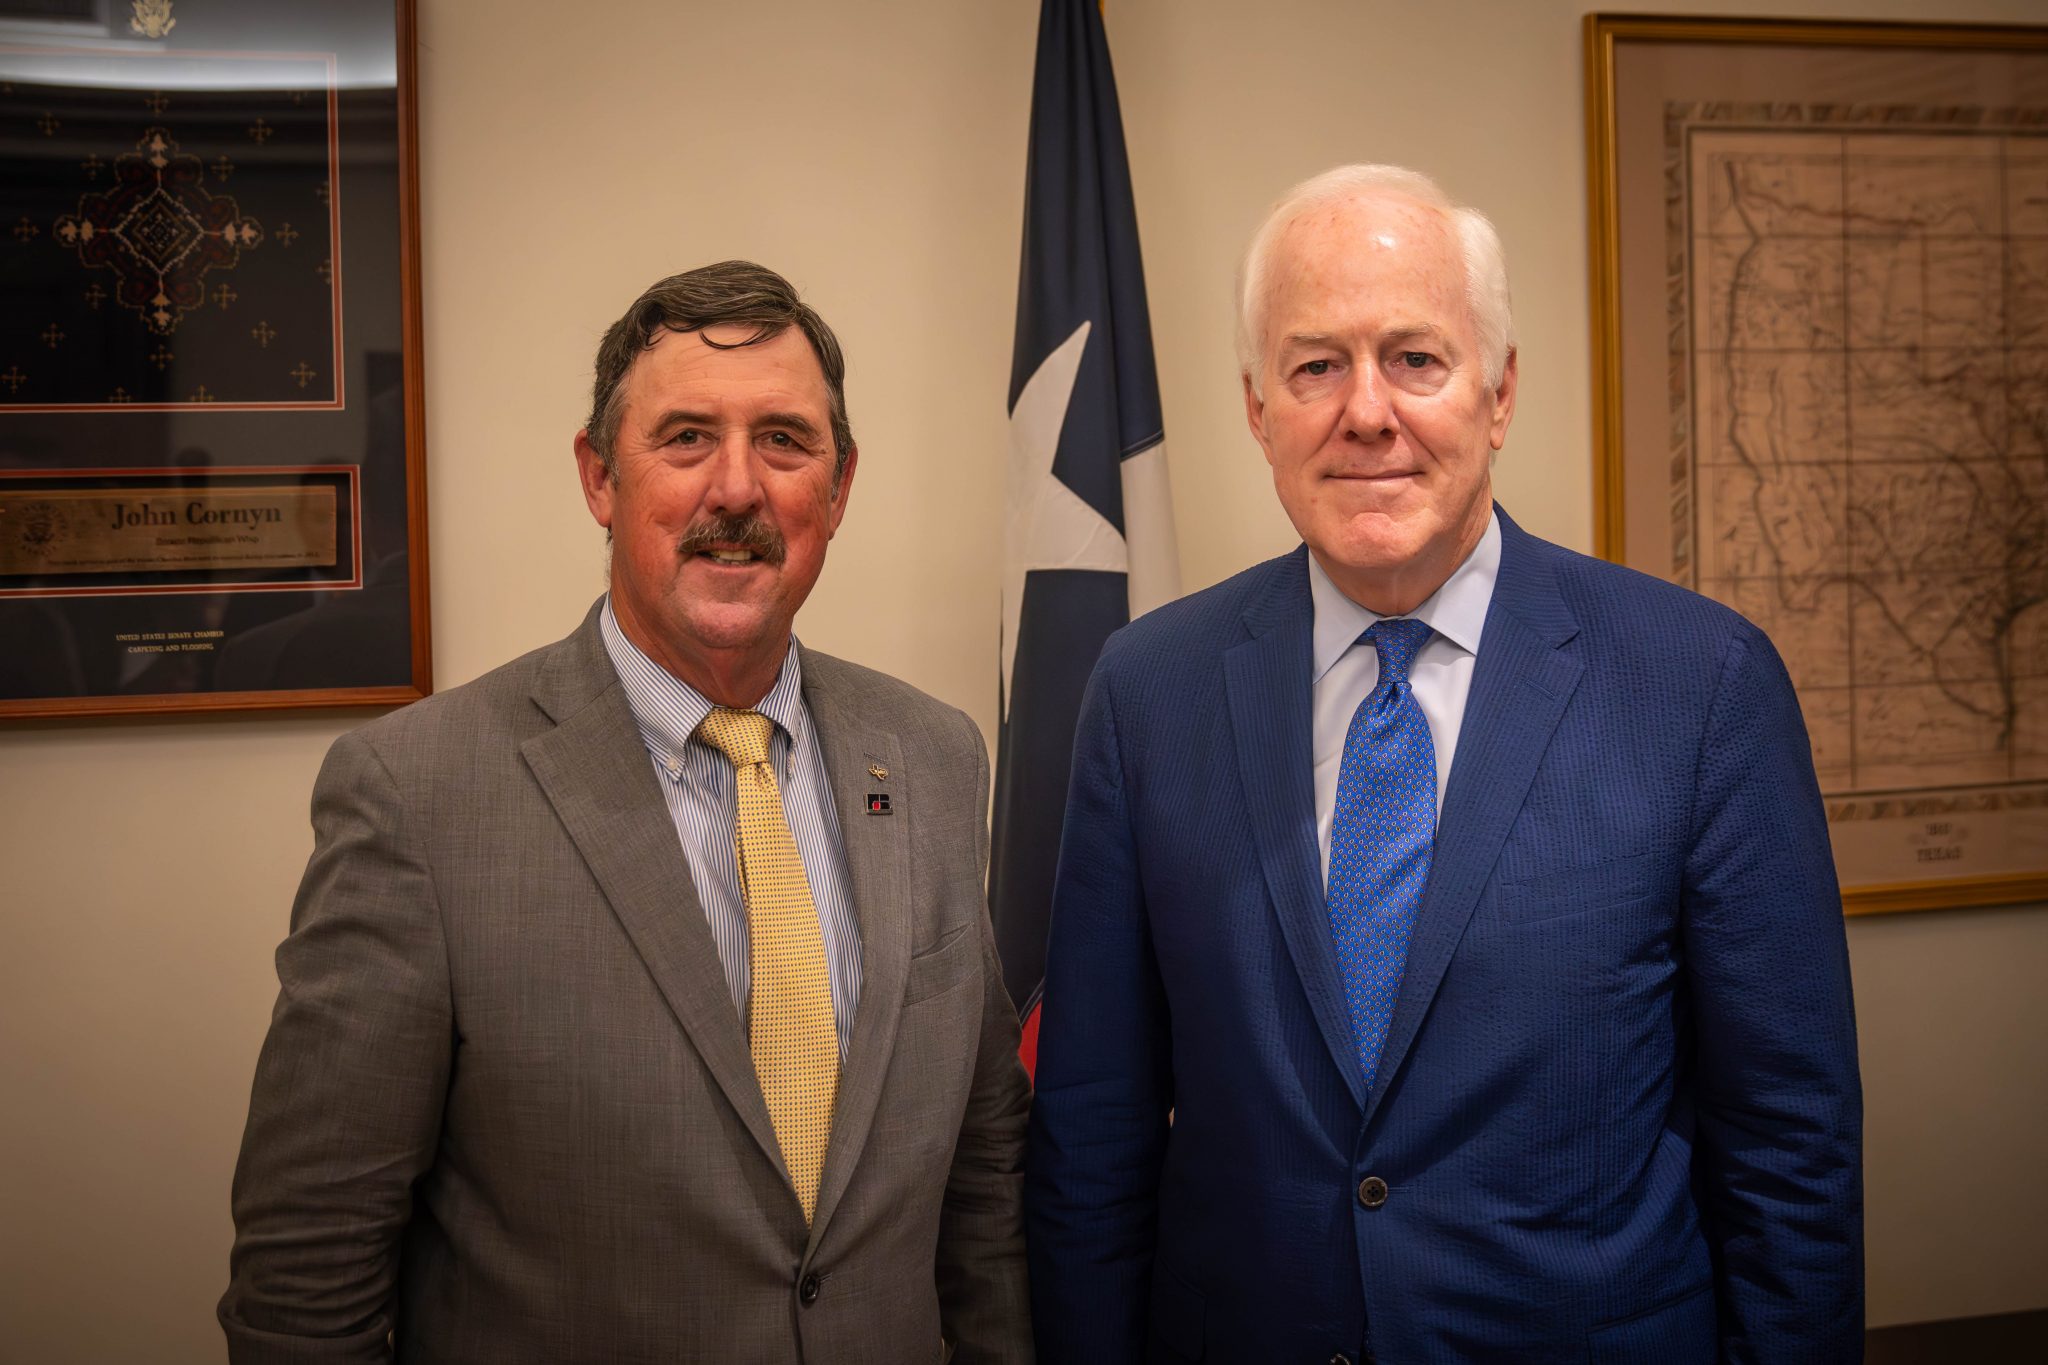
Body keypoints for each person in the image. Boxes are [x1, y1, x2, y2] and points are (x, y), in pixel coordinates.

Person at [1024, 165, 1862, 1363]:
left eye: (1414, 359)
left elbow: (1788, 1144)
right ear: (1257, 410)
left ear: (1498, 393)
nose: (1365, 412)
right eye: (1315, 367)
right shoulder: (1147, 693)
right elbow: (1092, 1136)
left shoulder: (1698, 686)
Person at [221, 261, 1033, 1364]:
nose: (737, 490)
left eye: (784, 441)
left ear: (838, 488)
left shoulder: (934, 757)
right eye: (686, 438)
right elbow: (309, 1267)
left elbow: (983, 1184)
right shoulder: (417, 795)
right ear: (600, 478)